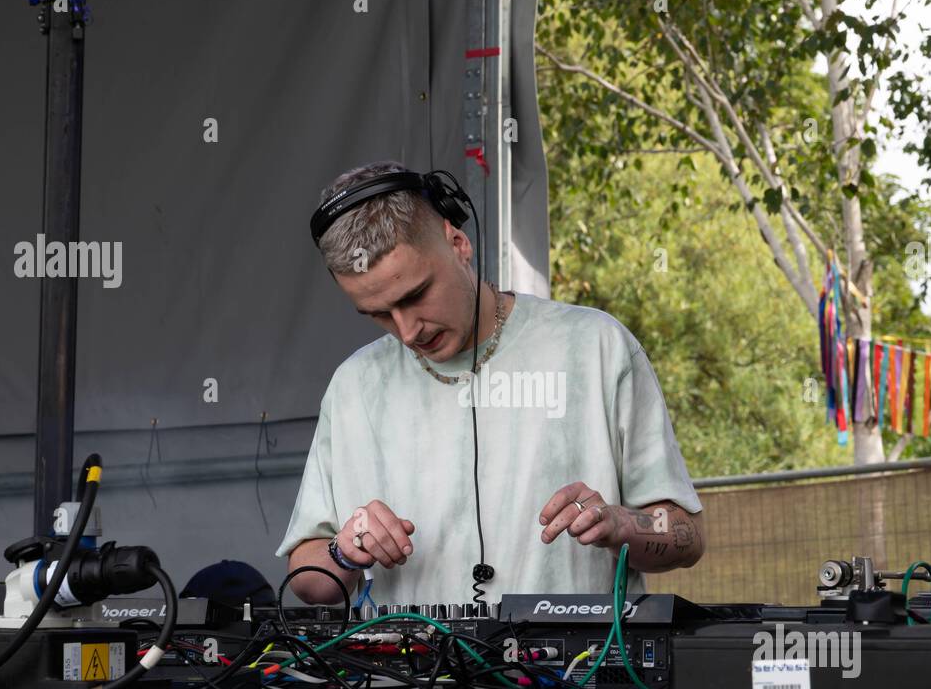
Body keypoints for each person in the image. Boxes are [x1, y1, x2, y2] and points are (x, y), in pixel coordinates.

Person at [275, 160, 704, 606]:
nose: (406, 331)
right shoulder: (353, 387)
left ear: (458, 243)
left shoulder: (597, 346)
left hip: (570, 675)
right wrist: (343, 551)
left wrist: (621, 525)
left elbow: (688, 537)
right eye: (379, 314)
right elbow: (307, 578)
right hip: (413, 678)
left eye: (415, 295)